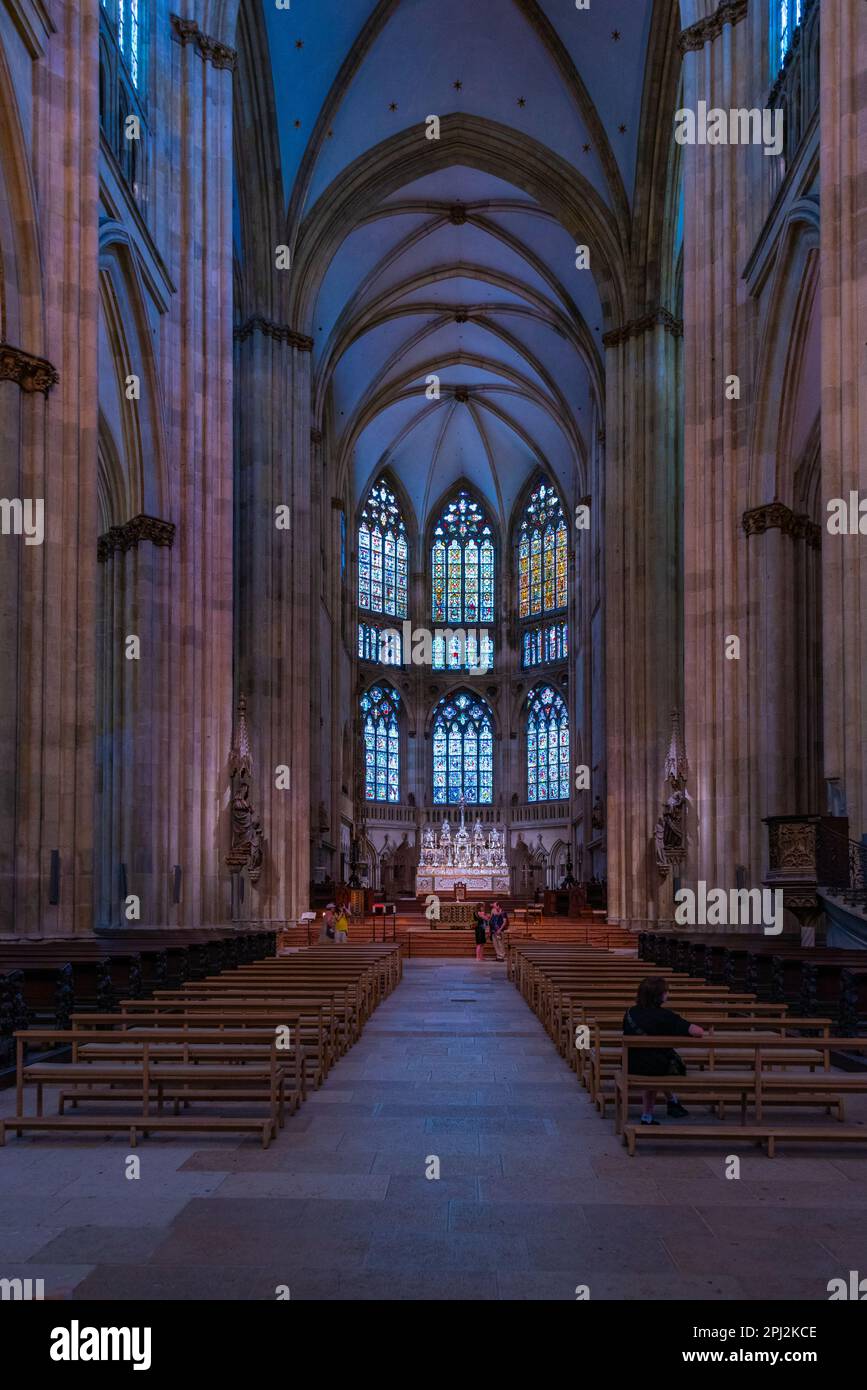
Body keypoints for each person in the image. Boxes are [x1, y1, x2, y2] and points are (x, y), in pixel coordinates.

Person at [622, 976, 704, 1125]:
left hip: (631, 1064)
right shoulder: (666, 1016)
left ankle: (670, 1103)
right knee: (658, 1064)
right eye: (666, 992)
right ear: (658, 996)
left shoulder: (629, 1013)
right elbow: (698, 1032)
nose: (668, 994)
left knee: (653, 1058)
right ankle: (655, 1111)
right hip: (656, 1066)